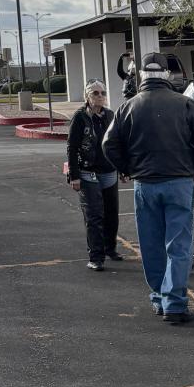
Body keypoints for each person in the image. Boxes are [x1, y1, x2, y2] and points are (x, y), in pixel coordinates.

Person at [102, 52, 194, 323]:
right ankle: (175, 303)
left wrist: (127, 168)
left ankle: (159, 298)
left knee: (152, 244)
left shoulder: (128, 107)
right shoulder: (186, 104)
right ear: (167, 75)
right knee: (178, 245)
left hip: (145, 183)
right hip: (179, 181)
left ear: (141, 75)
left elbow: (109, 144)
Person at [66, 80, 122, 271]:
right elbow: (72, 148)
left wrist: (121, 168)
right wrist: (74, 175)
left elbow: (116, 144)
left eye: (102, 93)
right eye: (95, 93)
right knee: (94, 215)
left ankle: (110, 248)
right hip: (88, 172)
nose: (100, 96)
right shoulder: (80, 117)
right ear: (87, 97)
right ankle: (96, 257)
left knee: (111, 214)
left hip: (109, 171)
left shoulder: (110, 115)